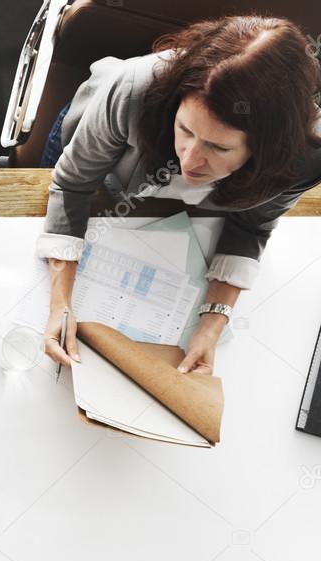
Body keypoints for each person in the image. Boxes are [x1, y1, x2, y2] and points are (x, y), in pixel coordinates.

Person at [37, 16, 321, 375]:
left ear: (267, 150)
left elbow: (252, 227)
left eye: (218, 147)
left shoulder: (307, 159)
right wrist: (60, 303)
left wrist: (212, 324)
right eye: (185, 129)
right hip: (95, 147)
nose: (189, 159)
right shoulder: (132, 89)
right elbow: (72, 184)